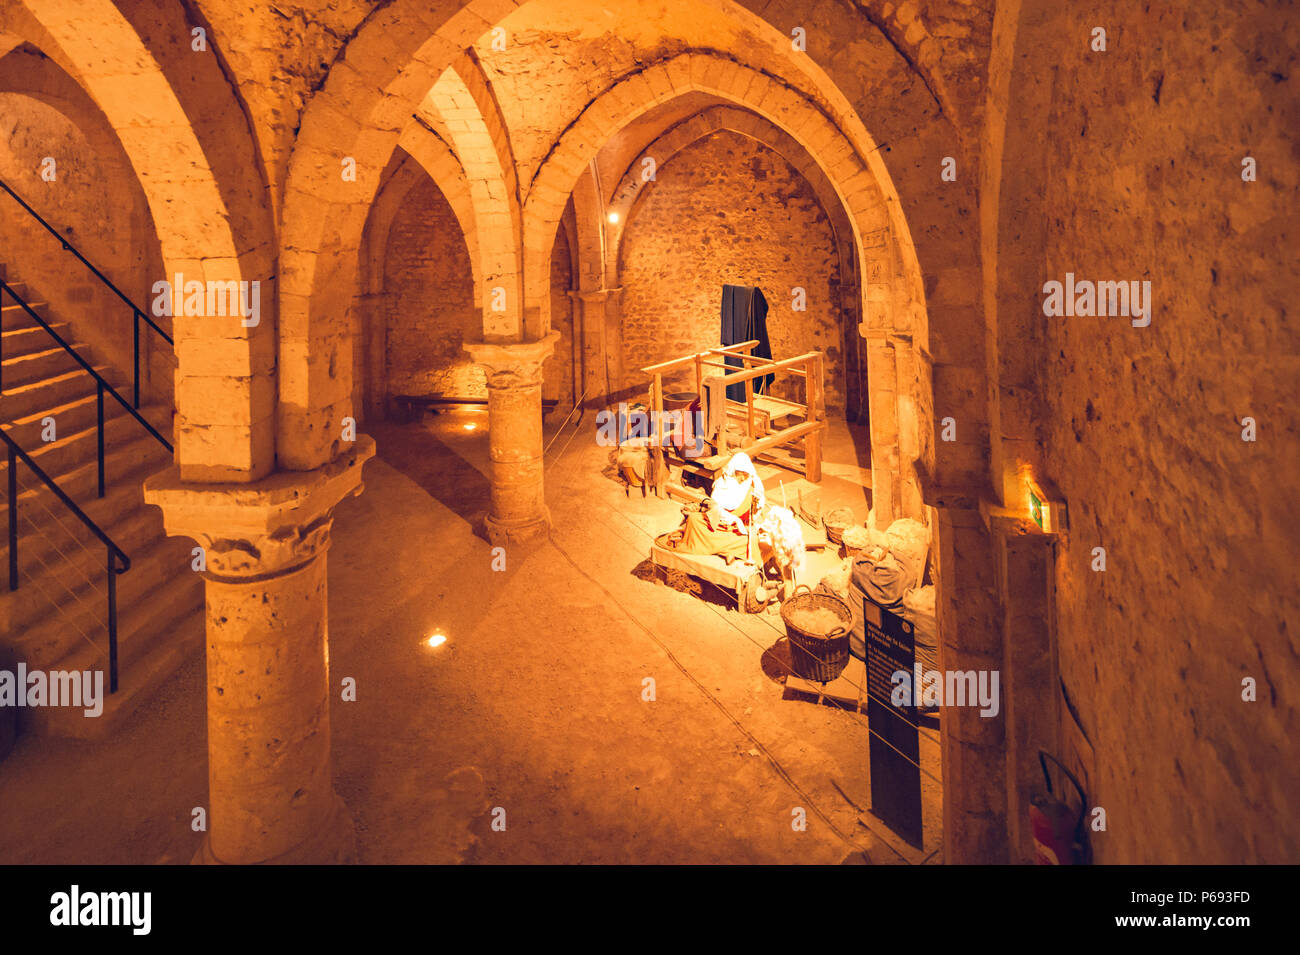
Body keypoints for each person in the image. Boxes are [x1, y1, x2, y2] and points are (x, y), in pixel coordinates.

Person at [660, 452, 765, 562]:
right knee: (694, 520)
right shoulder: (722, 484)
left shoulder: (752, 484)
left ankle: (726, 550)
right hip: (719, 522)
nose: (743, 478)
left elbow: (756, 510)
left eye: (746, 474)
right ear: (733, 472)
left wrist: (757, 503)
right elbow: (715, 508)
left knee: (750, 539)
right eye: (740, 475)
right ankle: (728, 551)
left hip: (737, 529)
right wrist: (733, 519)